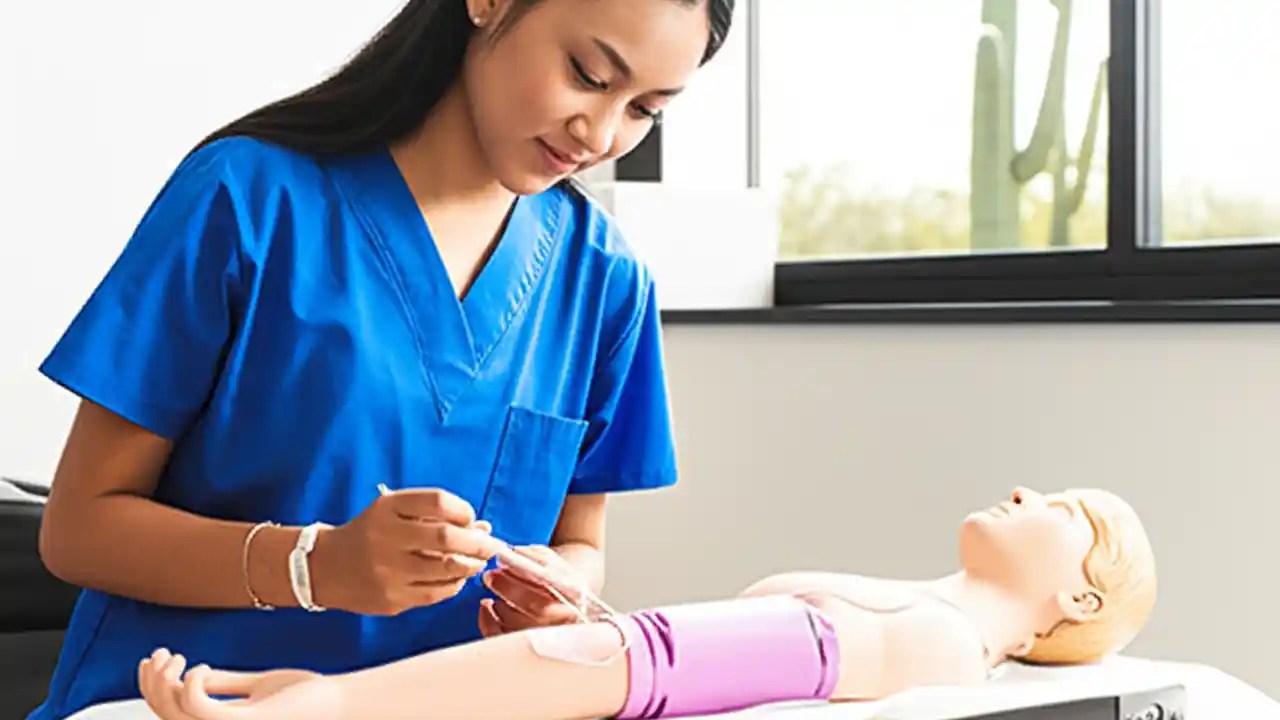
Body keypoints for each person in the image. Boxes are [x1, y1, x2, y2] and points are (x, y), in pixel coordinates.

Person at [30, 0, 736, 717]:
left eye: (646, 109)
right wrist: (314, 567)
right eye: (586, 75)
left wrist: (557, 599)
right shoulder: (248, 200)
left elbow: (578, 542)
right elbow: (80, 530)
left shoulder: (605, 281)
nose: (601, 132)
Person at [131, 486, 1158, 719]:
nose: (1027, 494)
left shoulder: (935, 642)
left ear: (1076, 593)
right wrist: (579, 624)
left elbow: (656, 665)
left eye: (1062, 507)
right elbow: (659, 665)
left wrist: (344, 711)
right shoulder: (912, 620)